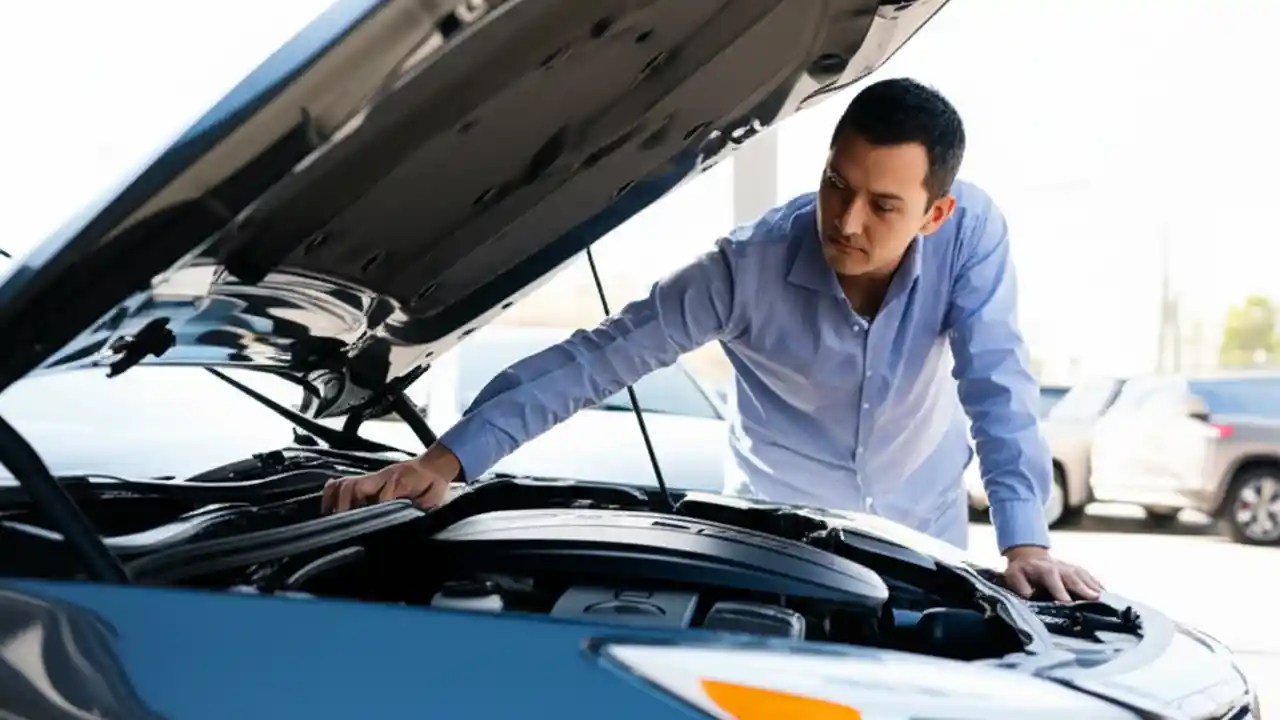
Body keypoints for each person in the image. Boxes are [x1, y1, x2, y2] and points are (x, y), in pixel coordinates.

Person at [322, 77, 1103, 603]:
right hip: (783, 546)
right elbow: (599, 356)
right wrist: (442, 461)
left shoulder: (972, 236)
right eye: (837, 183)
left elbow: (995, 384)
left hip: (925, 535)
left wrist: (1025, 542)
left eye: (883, 204)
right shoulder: (747, 268)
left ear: (935, 213)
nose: (847, 219)